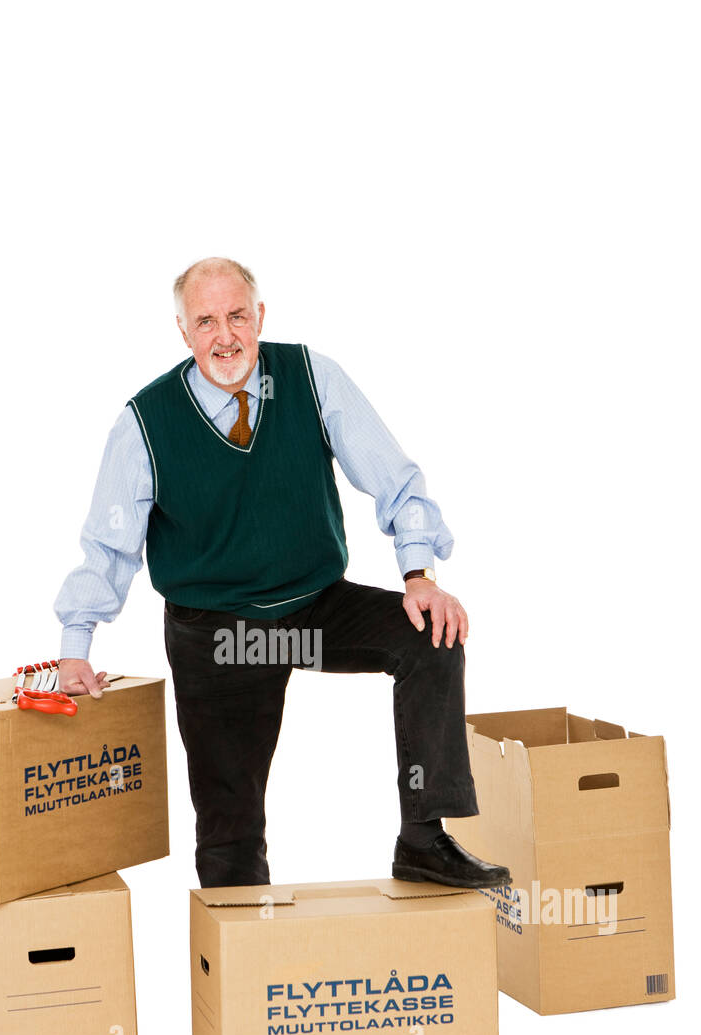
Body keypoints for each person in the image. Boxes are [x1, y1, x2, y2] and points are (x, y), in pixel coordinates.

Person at [54, 257, 509, 891]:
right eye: (206, 321)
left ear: (260, 317)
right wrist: (76, 648)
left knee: (430, 635)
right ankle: (239, 962)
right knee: (229, 830)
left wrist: (419, 575)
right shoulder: (145, 422)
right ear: (183, 332)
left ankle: (423, 838)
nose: (225, 336)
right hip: (218, 635)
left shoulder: (311, 377)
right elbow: (107, 548)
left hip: (313, 610)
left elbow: (396, 479)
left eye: (238, 316)